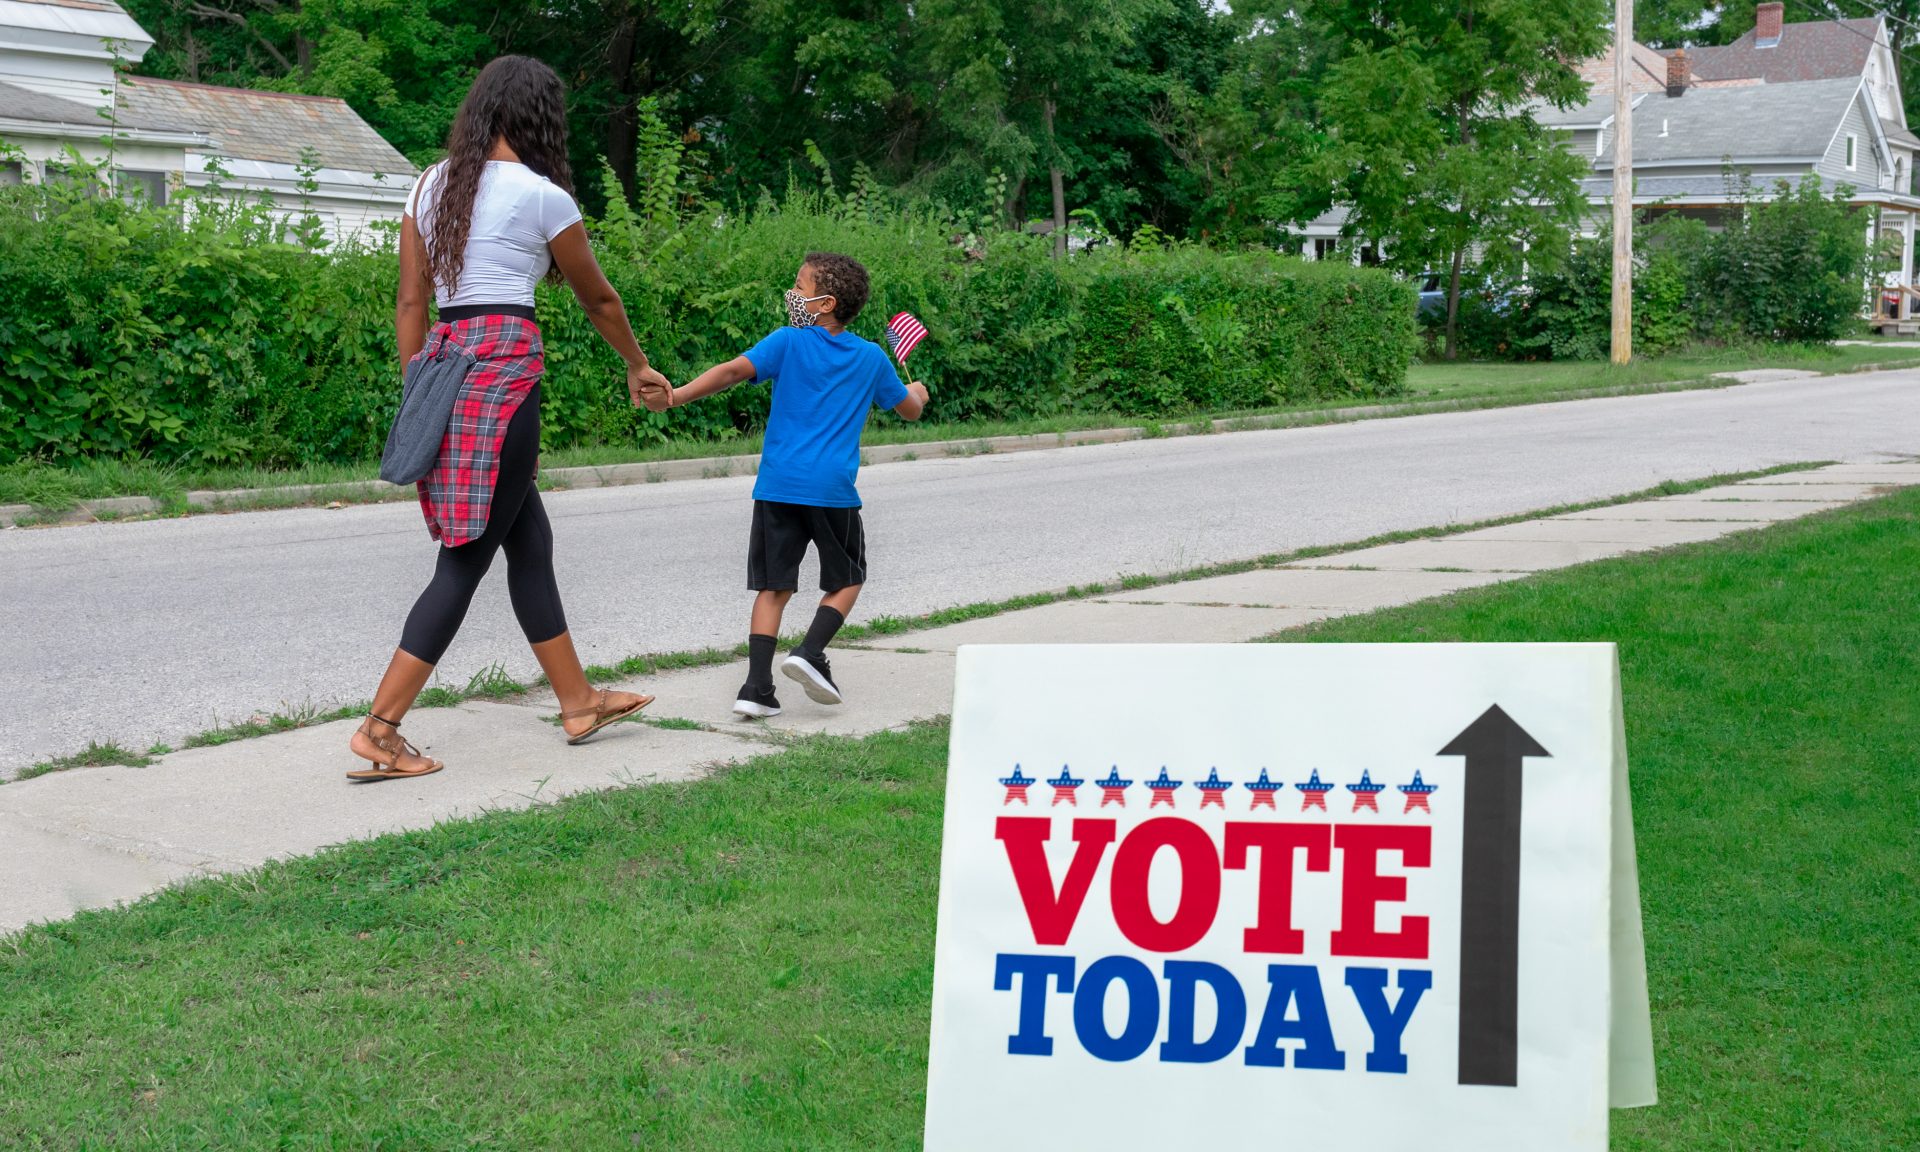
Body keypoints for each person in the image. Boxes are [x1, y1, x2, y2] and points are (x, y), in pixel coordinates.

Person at [349, 55, 667, 781]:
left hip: (445, 362)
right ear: (538, 120)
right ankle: (380, 728)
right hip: (503, 370)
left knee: (528, 539)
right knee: (465, 558)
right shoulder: (542, 195)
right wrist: (636, 363)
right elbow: (599, 299)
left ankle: (579, 700)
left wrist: (417, 391)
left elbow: (410, 302)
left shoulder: (430, 184)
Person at [643, 253, 927, 718]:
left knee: (773, 588)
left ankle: (757, 688)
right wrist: (916, 392)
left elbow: (733, 371)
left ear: (825, 302)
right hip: (831, 490)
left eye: (799, 286)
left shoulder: (787, 343)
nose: (792, 294)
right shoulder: (872, 358)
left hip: (777, 486)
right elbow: (909, 410)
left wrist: (676, 396)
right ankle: (811, 652)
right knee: (849, 578)